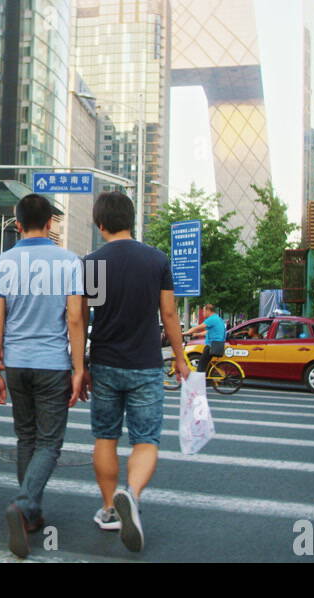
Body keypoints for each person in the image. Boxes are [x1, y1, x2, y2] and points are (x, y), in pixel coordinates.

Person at [82, 191, 190, 553]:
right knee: (146, 439)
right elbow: (169, 315)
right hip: (145, 364)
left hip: (105, 362)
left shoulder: (93, 263)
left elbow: (84, 317)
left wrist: (79, 366)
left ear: (100, 224)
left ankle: (111, 507)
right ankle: (133, 493)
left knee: (106, 436)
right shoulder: (156, 260)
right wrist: (180, 357)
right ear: (131, 220)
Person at [0, 194, 87, 558]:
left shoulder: (3, 262)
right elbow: (75, 319)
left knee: (25, 438)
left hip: (16, 362)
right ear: (50, 225)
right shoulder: (69, 261)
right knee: (49, 444)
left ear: (17, 225)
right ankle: (24, 502)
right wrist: (79, 369)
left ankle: (30, 514)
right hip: (52, 364)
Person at [184, 304, 226, 373]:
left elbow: (198, 327)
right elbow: (208, 331)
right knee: (205, 363)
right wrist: (197, 334)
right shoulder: (218, 318)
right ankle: (205, 377)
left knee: (201, 365)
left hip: (211, 346)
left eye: (204, 311)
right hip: (217, 345)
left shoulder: (211, 319)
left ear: (208, 310)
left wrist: (184, 333)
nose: (203, 313)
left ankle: (199, 381)